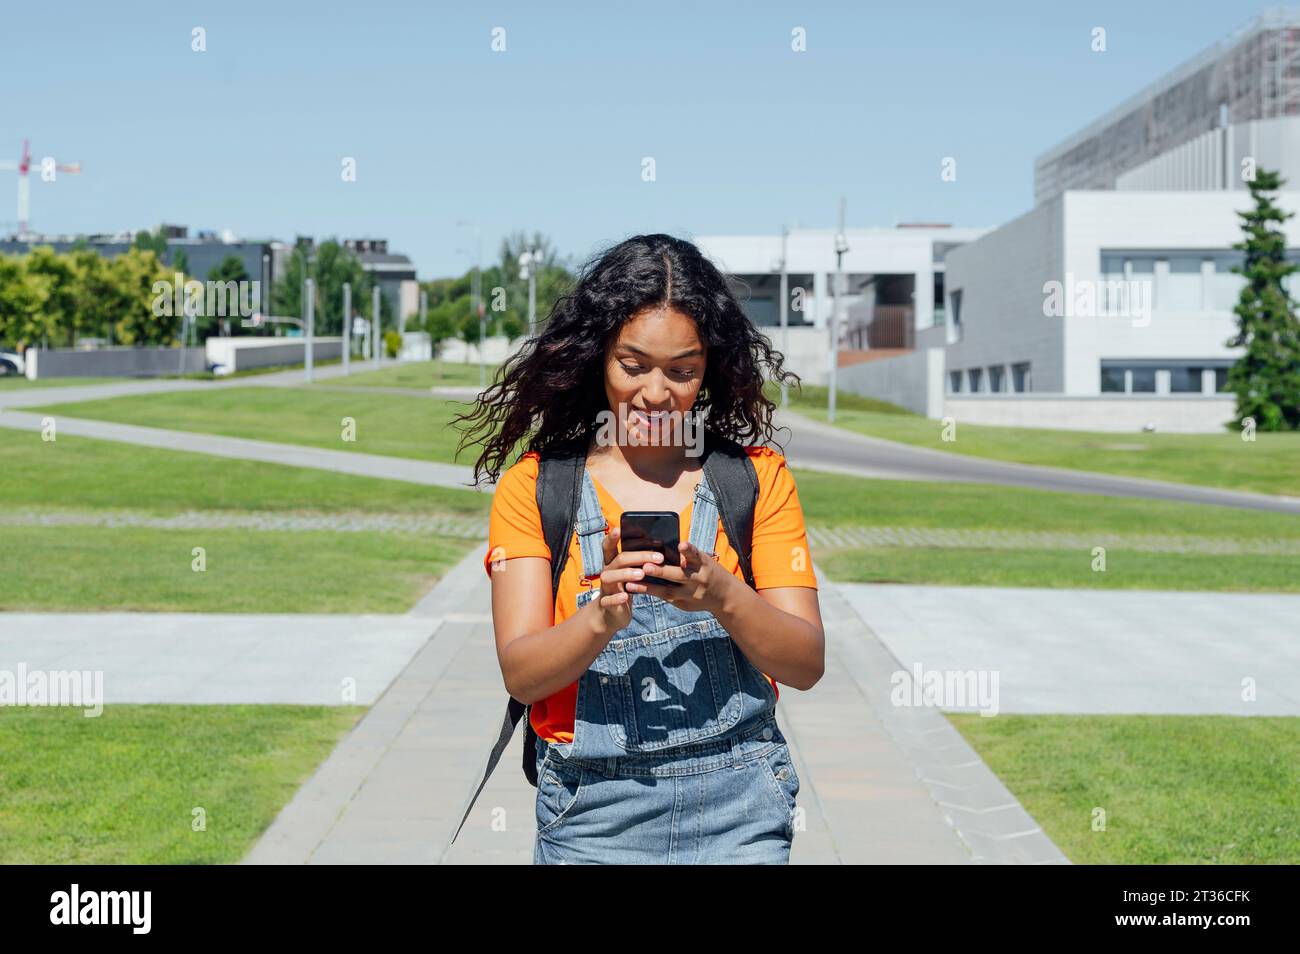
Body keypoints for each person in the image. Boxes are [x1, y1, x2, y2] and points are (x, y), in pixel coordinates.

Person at [454, 233, 825, 864]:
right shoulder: (536, 488)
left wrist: (725, 595)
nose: (656, 393)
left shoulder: (757, 480)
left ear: (710, 367)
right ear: (598, 355)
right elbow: (522, 674)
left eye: (683, 370)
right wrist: (600, 617)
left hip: (741, 811)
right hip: (591, 821)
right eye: (633, 365)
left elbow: (805, 663)